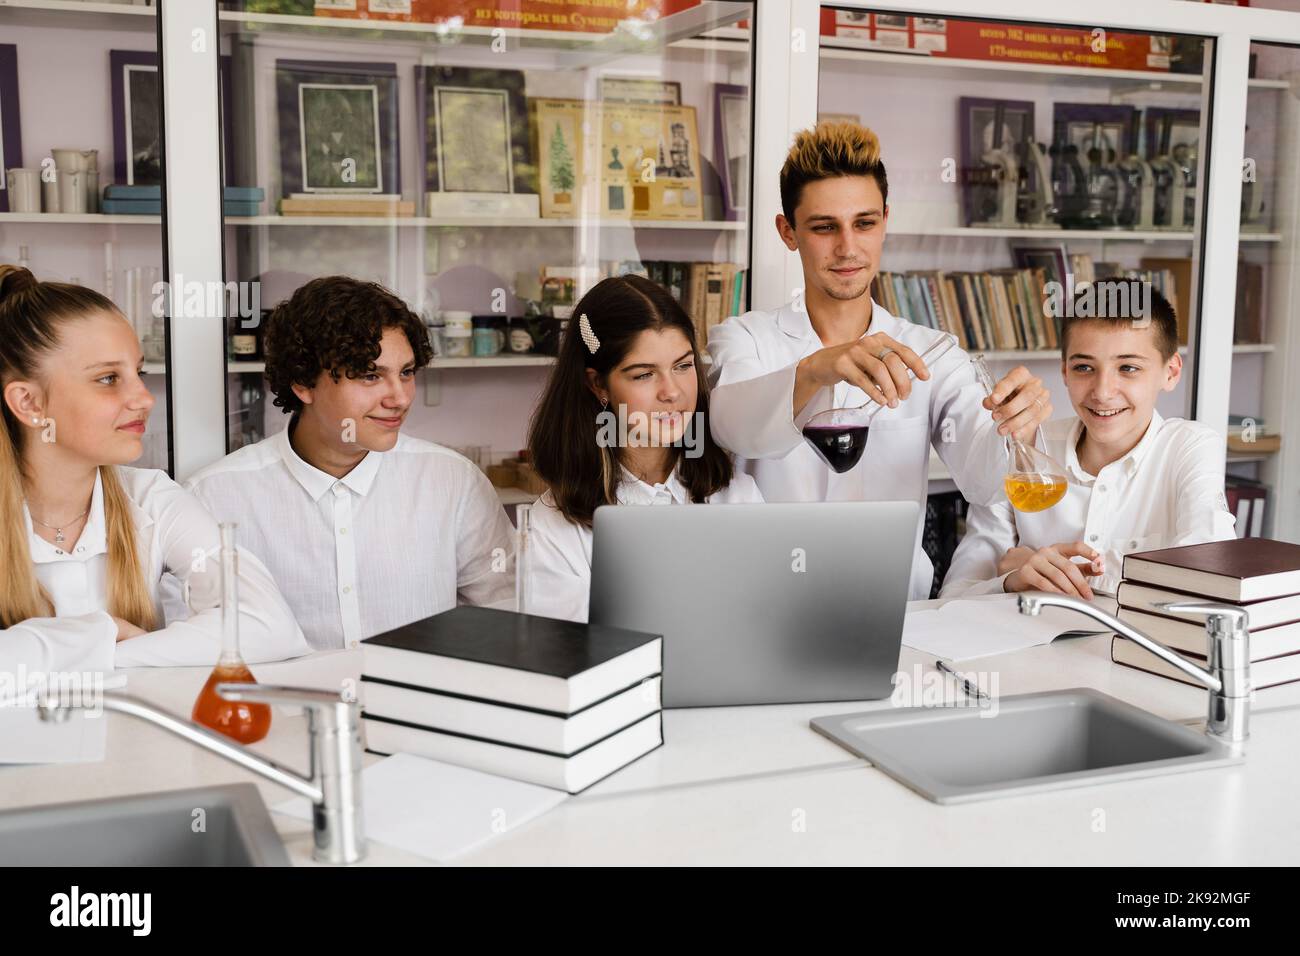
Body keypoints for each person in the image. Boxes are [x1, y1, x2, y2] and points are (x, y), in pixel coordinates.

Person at [706, 121, 1053, 598]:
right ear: (788, 232)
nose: (848, 247)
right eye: (825, 227)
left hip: (894, 614)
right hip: (762, 606)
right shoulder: (745, 339)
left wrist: (1018, 423)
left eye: (864, 223)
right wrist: (818, 368)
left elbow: (984, 480)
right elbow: (731, 427)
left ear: (885, 221)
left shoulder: (935, 353)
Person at [0, 265, 307, 679]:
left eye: (138, 373)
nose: (143, 398)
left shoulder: (151, 499)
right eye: (108, 378)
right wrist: (100, 633)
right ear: (30, 403)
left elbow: (267, 626)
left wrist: (100, 656)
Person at [186, 275, 515, 650]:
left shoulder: (452, 482)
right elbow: (191, 645)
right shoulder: (213, 497)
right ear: (303, 383)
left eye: (406, 373)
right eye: (370, 375)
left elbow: (505, 614)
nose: (399, 398)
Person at [941, 282, 1236, 599]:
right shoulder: (1021, 447)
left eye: (1128, 368)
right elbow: (956, 594)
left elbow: (1210, 580)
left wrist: (1052, 573)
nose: (1103, 392)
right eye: (1084, 367)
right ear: (1065, 371)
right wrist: (1012, 579)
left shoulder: (1189, 447)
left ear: (1171, 372)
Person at [524, 275, 762, 622]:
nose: (672, 392)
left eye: (683, 366)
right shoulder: (552, 526)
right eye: (644, 375)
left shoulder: (737, 495)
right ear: (597, 384)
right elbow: (569, 656)